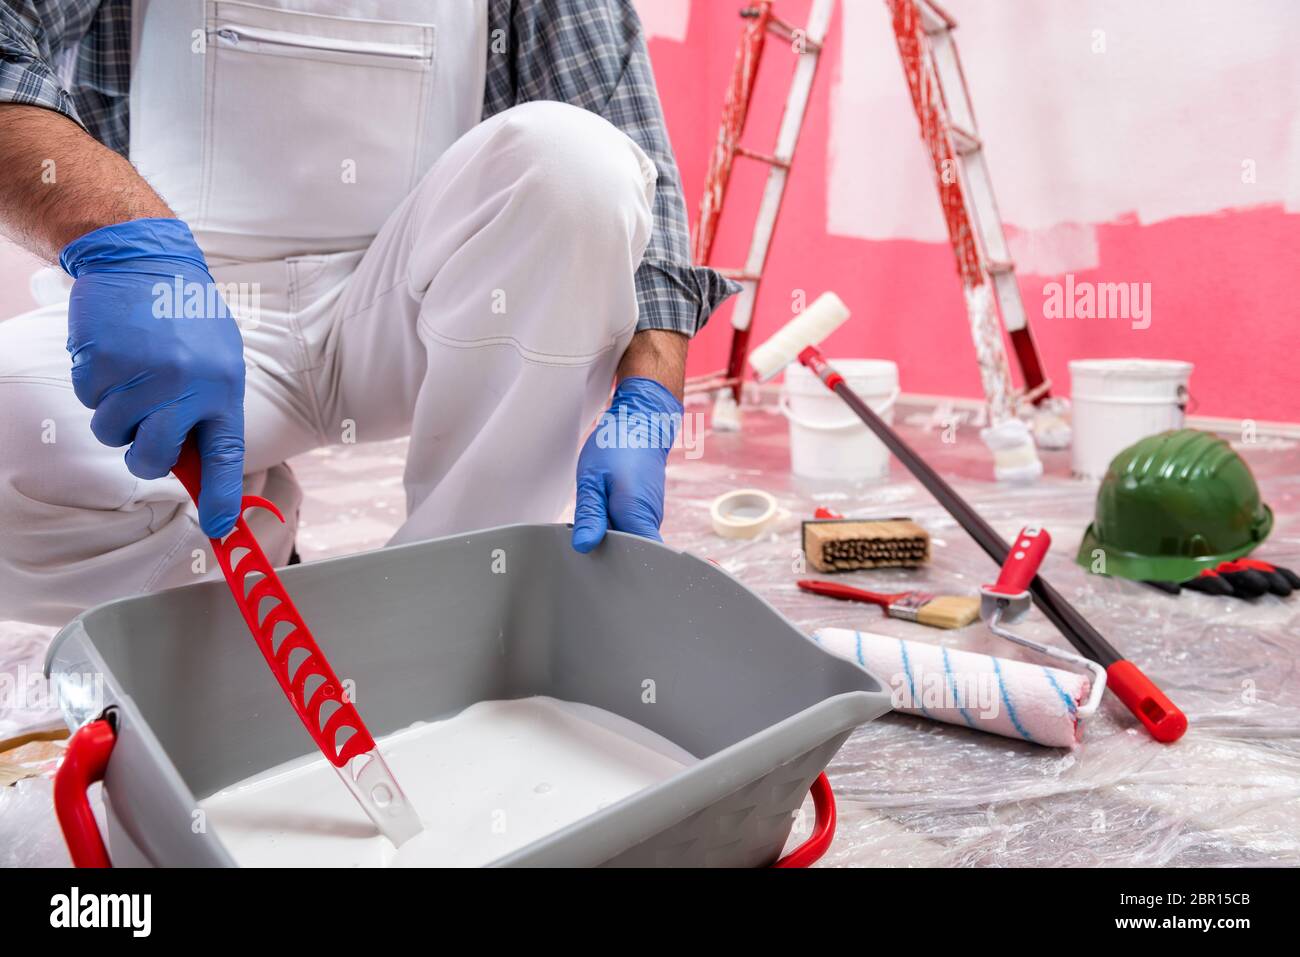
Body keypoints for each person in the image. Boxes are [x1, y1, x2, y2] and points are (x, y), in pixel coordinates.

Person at [0, 0, 736, 626]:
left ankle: (462, 608)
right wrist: (124, 242)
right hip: (188, 309)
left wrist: (647, 396)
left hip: (415, 306)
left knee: (578, 161)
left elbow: (629, 152)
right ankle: (229, 598)